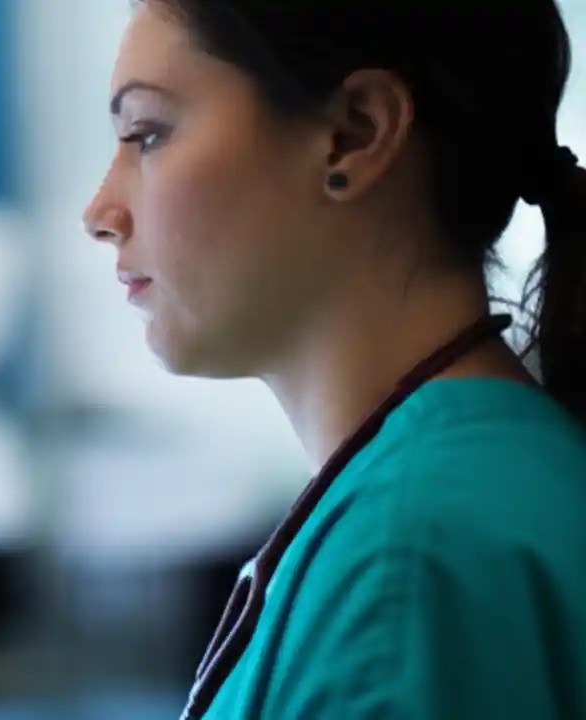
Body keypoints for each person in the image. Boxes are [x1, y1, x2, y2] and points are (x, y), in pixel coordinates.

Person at [82, 1, 586, 718]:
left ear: (354, 135)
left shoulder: (408, 560)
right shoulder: (487, 472)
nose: (100, 211)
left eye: (148, 133)